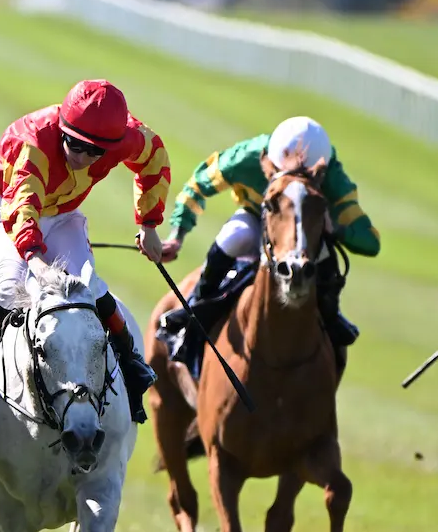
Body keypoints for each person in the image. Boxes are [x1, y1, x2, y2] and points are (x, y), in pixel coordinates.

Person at [0, 78, 170, 424]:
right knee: (12, 285)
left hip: (62, 216)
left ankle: (132, 364)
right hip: (9, 212)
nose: (83, 158)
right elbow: (22, 207)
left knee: (88, 285)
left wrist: (149, 225)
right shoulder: (33, 142)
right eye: (76, 145)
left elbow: (155, 158)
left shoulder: (129, 138)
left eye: (95, 152)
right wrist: (34, 257)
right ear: (62, 129)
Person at [158, 116, 380, 370]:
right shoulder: (246, 156)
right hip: (257, 219)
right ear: (269, 164)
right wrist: (177, 235)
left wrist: (336, 228)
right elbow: (196, 186)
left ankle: (331, 316)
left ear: (320, 172)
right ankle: (194, 308)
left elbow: (370, 241)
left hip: (303, 232)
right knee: (235, 235)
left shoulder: (333, 176)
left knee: (325, 255)